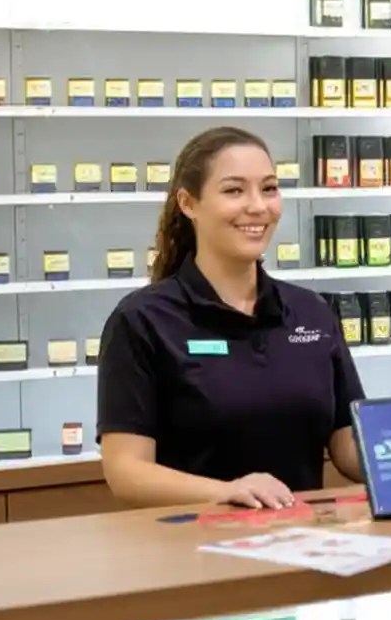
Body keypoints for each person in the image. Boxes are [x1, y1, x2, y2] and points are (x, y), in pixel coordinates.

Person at [97, 127, 366, 509]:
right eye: (234, 190)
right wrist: (224, 491)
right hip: (193, 551)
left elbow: (349, 445)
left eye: (269, 188)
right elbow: (126, 471)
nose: (258, 206)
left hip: (304, 544)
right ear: (188, 203)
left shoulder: (311, 312)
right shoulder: (142, 320)